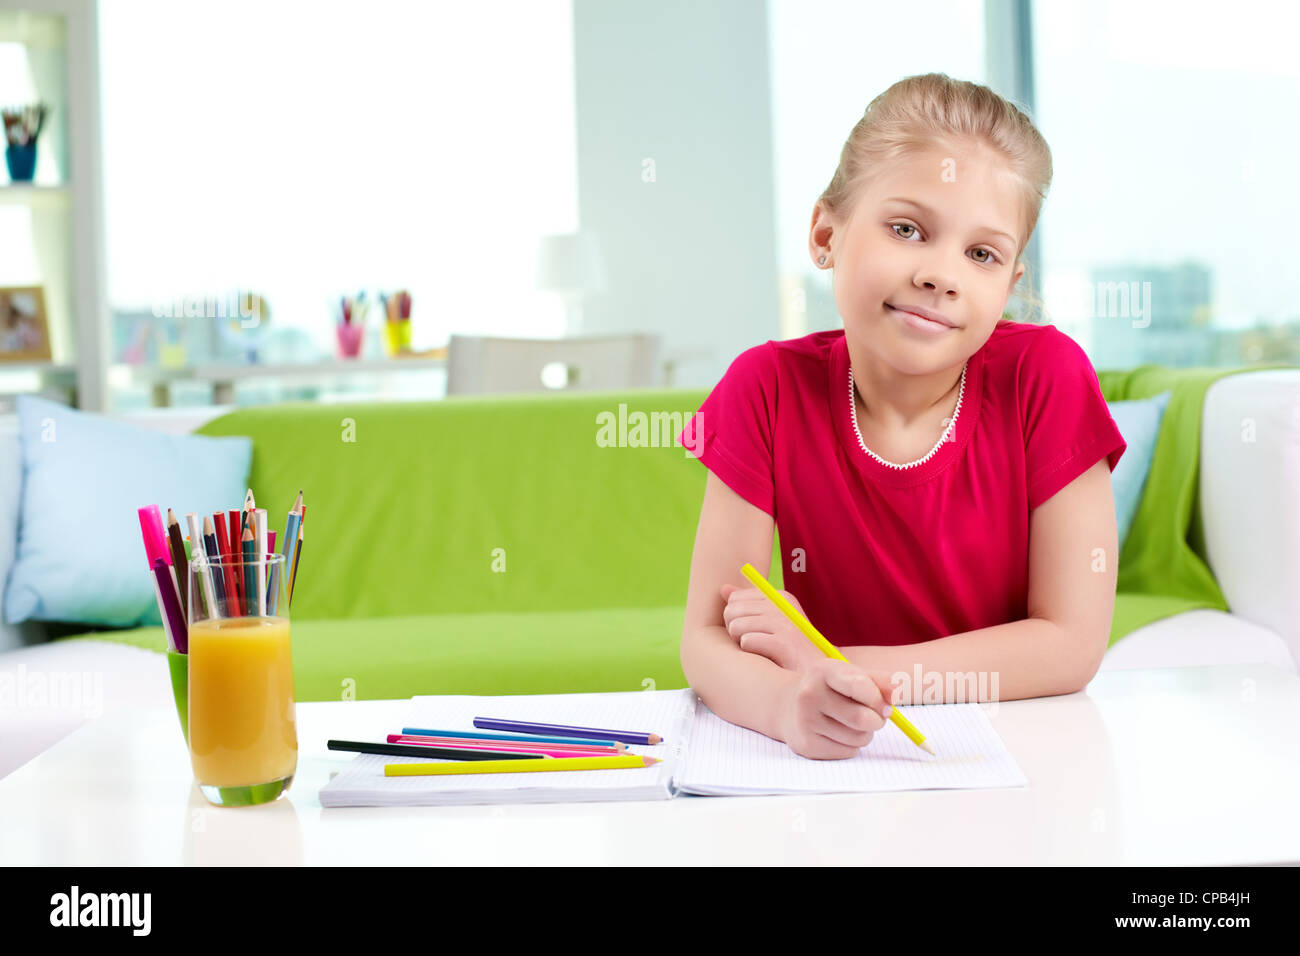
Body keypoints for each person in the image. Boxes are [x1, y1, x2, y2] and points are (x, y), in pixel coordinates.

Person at [677, 73, 1127, 760]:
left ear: (1009, 285)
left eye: (981, 254)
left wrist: (832, 663)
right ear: (826, 233)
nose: (942, 274)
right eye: (908, 229)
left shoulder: (1048, 377)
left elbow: (1070, 643)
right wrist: (787, 705)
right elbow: (707, 641)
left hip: (1022, 751)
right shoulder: (762, 389)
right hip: (848, 756)